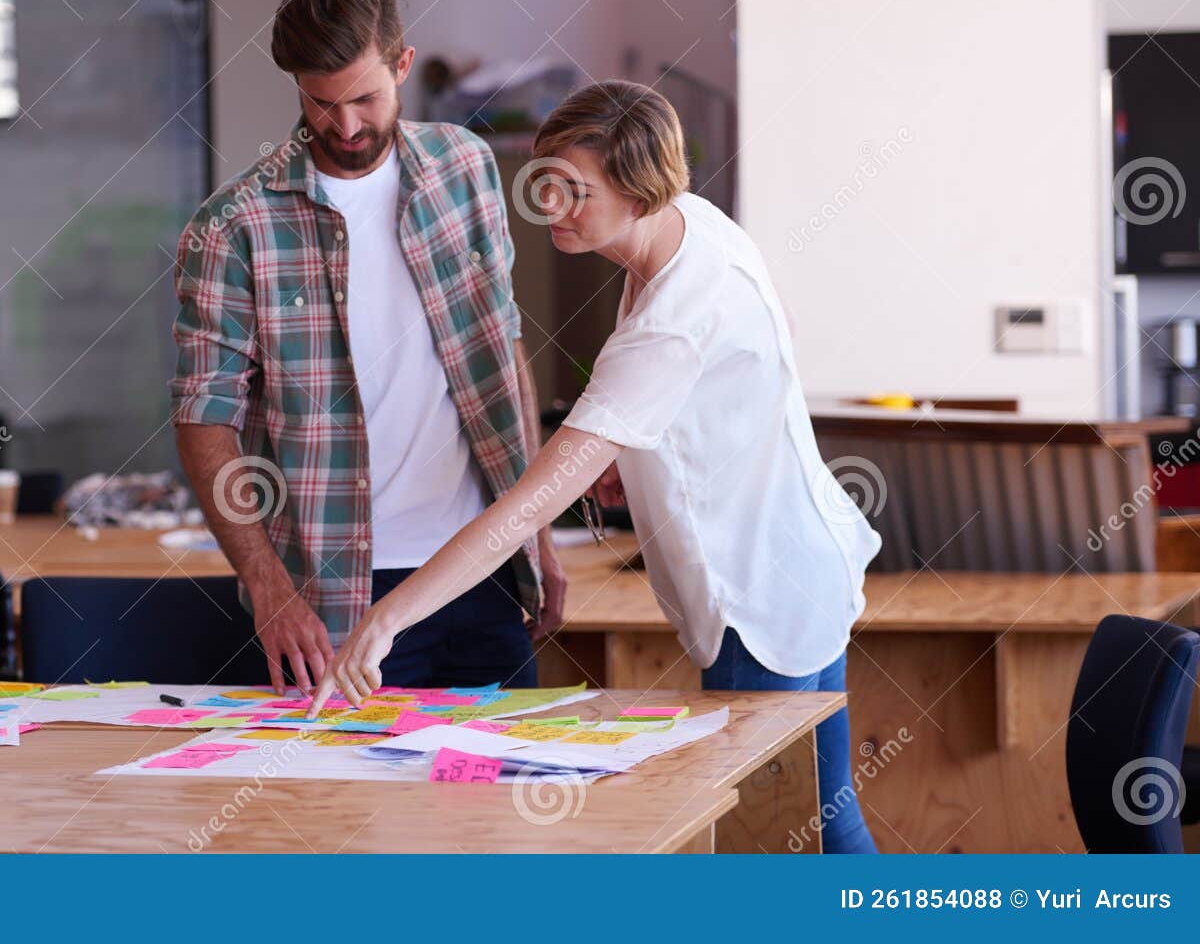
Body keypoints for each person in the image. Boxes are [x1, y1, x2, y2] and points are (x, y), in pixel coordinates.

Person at [310, 79, 882, 854]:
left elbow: (523, 509)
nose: (551, 205)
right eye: (546, 181)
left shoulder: (671, 320)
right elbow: (719, 400)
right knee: (824, 822)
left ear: (639, 190)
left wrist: (387, 618)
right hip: (798, 570)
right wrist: (638, 456)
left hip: (759, 600)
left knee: (768, 842)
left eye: (576, 191)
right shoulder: (689, 229)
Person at [170, 0, 565, 697]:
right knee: (346, 810)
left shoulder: (466, 168)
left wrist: (535, 536)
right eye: (321, 103)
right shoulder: (233, 226)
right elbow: (203, 417)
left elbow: (501, 350)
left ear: (403, 65)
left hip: (481, 574)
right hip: (332, 602)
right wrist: (268, 586)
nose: (345, 126)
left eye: (364, 98)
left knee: (500, 803)